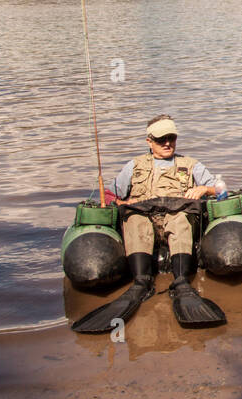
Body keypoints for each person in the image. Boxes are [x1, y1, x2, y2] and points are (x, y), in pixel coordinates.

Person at [71, 115, 227, 333]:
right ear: (149, 141)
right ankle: (141, 282)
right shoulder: (134, 166)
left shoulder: (190, 164)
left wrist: (204, 189)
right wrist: (124, 202)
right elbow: (109, 194)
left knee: (180, 218)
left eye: (171, 138)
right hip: (144, 220)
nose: (167, 143)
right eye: (161, 139)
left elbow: (222, 189)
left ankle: (181, 282)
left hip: (176, 217)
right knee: (135, 220)